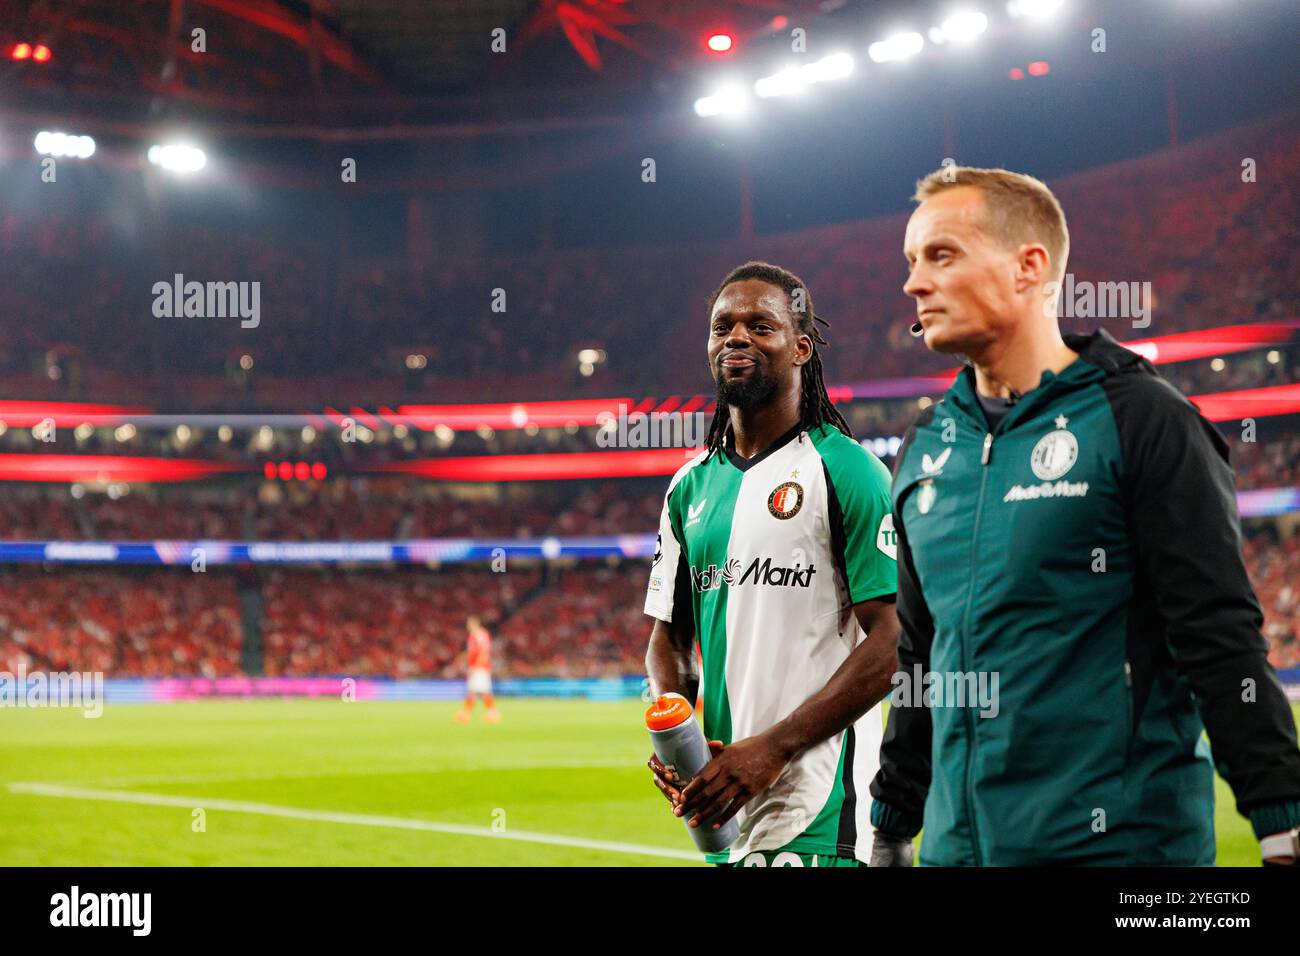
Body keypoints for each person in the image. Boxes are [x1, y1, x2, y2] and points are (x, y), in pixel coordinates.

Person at [868, 166, 1300, 866]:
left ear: (1028, 267)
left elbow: (1217, 637)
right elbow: (919, 654)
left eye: (941, 255)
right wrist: (891, 819)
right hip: (958, 851)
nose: (915, 283)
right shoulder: (924, 446)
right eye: (912, 262)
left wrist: (1282, 814)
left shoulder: (1141, 419)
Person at [644, 261, 900, 866]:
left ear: (801, 348)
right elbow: (668, 635)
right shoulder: (688, 487)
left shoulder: (848, 472)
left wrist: (775, 749)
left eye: (761, 325)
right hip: (725, 804)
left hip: (820, 809)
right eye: (722, 326)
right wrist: (674, 731)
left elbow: (895, 640)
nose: (736, 336)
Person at [454, 615, 499, 723]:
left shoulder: (480, 635)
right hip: (476, 666)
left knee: (483, 691)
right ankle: (467, 713)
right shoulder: (473, 636)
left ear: (475, 624)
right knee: (473, 691)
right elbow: (472, 652)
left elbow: (484, 652)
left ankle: (492, 713)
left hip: (480, 667)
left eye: (469, 624)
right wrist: (461, 658)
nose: (467, 626)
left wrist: (476, 666)